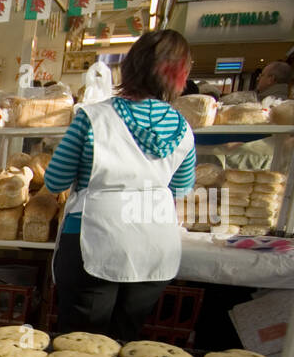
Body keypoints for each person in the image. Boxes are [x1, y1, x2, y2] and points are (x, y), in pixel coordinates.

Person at [43, 29, 196, 340]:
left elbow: (55, 180)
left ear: (130, 67)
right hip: (155, 243)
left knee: (81, 345)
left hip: (96, 238)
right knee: (126, 342)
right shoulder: (183, 128)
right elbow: (182, 189)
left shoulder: (93, 117)